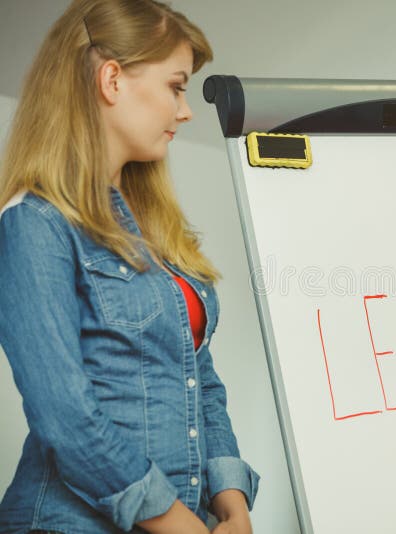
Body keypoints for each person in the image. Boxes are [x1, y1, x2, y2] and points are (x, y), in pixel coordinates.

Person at [0, 1, 259, 532]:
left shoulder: (154, 226)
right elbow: (65, 416)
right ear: (112, 80)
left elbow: (200, 377)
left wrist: (231, 499)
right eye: (176, 86)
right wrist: (180, 524)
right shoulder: (33, 221)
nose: (185, 112)